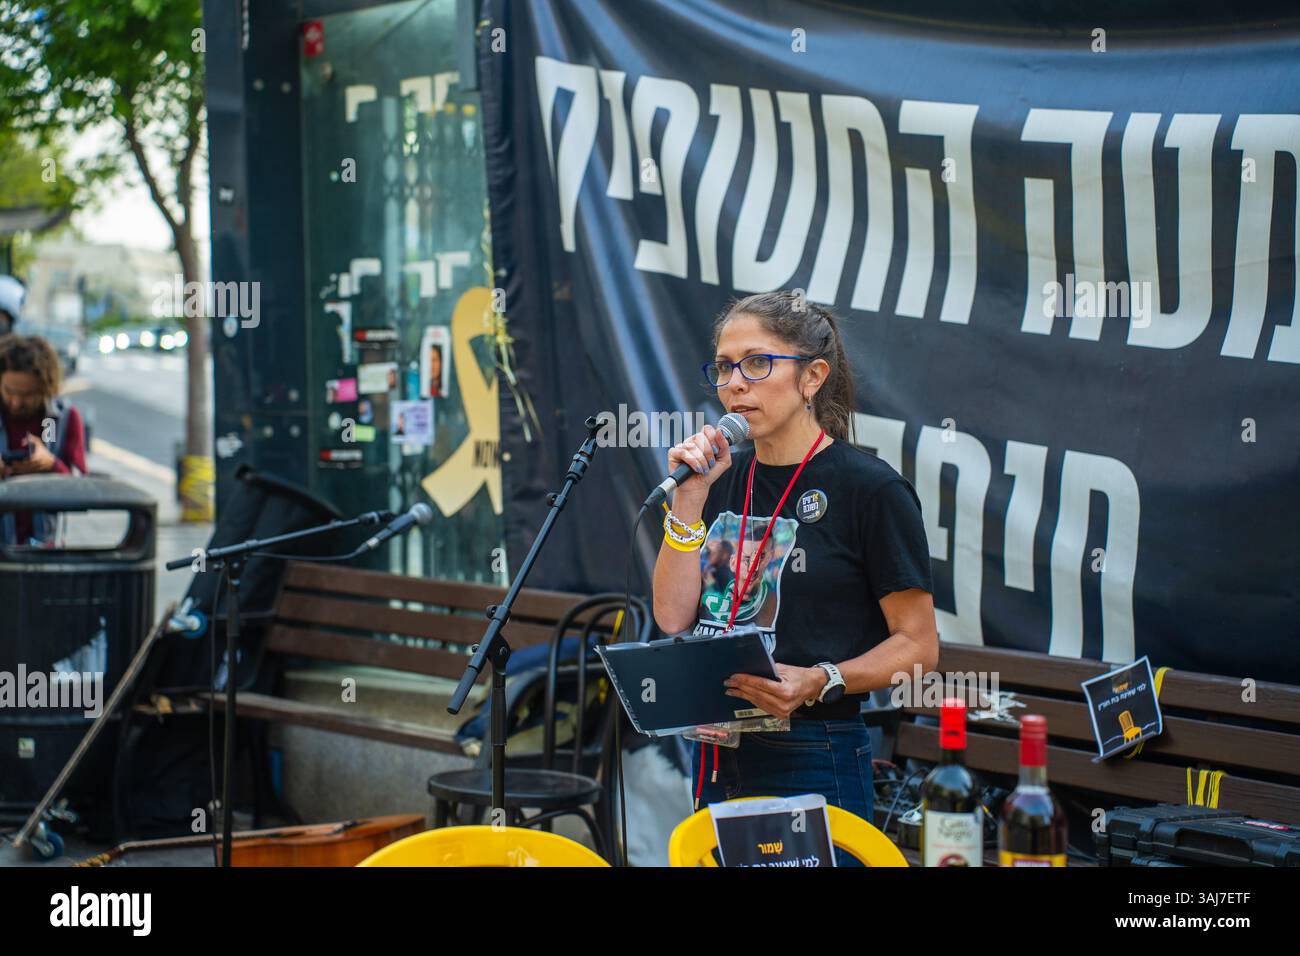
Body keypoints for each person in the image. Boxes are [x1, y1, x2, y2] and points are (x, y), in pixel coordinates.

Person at [652, 290, 938, 865]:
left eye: (758, 363)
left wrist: (820, 678)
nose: (736, 383)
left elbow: (919, 645)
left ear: (812, 377)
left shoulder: (870, 490)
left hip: (814, 747)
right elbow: (673, 616)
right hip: (718, 747)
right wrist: (688, 502)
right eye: (725, 367)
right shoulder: (718, 479)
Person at [0, 334, 88, 544]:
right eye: (9, 391)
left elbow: (82, 491)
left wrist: (51, 465)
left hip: (45, 547)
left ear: (46, 387)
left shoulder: (62, 419)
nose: (16, 402)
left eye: (28, 394)